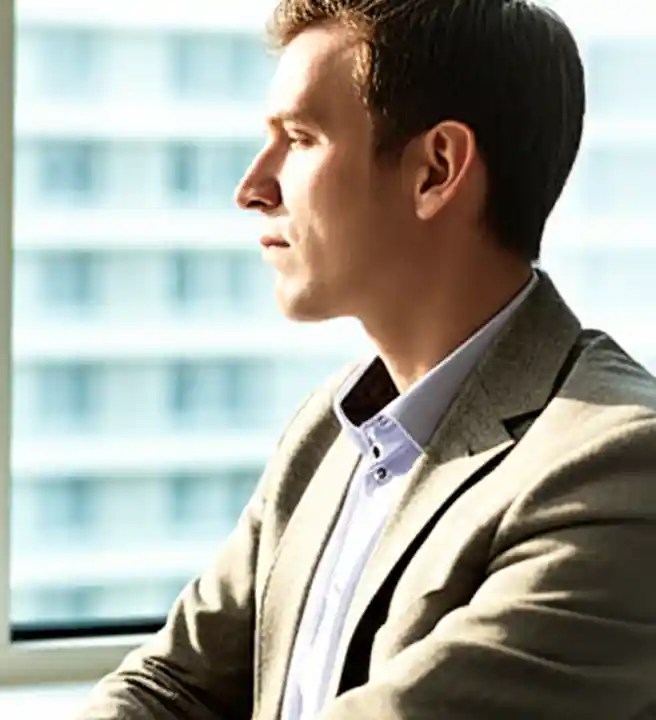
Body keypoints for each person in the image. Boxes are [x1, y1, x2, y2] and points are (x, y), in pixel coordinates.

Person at [75, 1, 656, 718]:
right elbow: (170, 685)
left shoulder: (620, 465)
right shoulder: (332, 430)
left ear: (435, 170)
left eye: (301, 138)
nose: (253, 188)